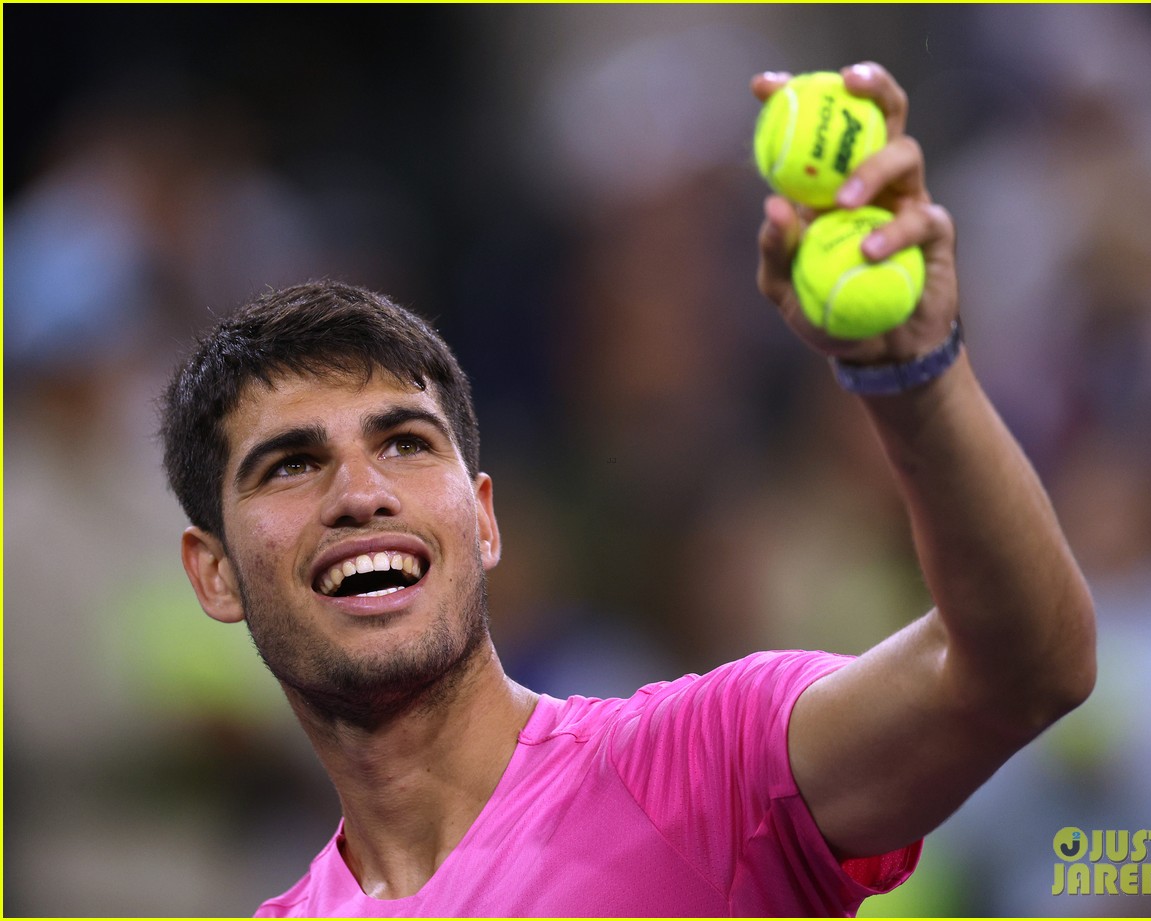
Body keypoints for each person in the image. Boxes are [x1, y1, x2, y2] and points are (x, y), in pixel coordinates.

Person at [159, 63, 1096, 917]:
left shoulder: (701, 765)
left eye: (405, 443)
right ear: (215, 574)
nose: (360, 493)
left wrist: (914, 372)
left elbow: (1023, 671)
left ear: (484, 519)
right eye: (290, 463)